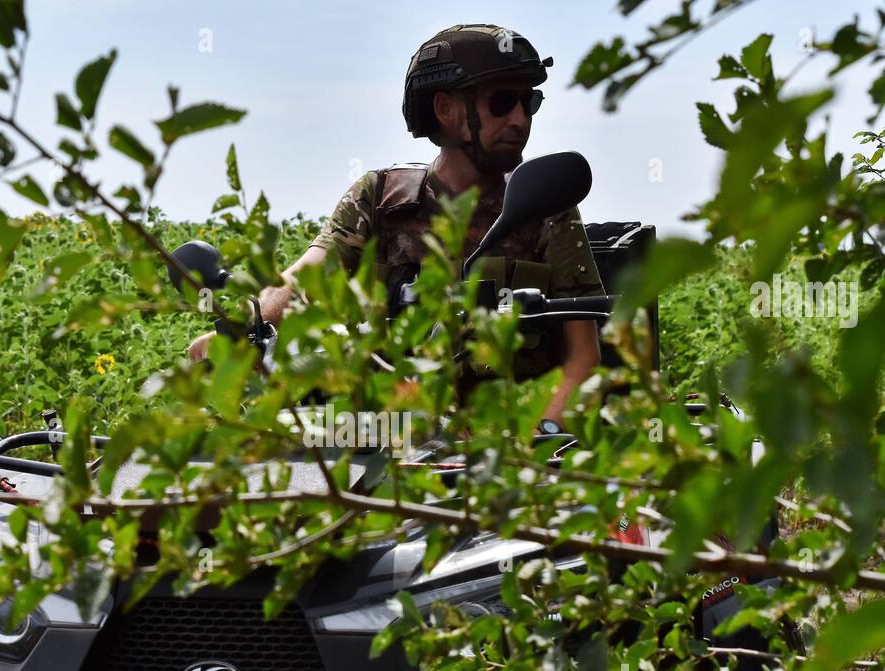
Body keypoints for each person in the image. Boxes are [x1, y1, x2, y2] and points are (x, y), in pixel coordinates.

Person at [186, 23, 604, 429]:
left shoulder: (547, 207)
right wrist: (242, 326)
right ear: (445, 109)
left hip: (508, 456)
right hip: (390, 444)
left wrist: (537, 444)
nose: (519, 119)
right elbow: (309, 275)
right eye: (501, 102)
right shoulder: (379, 197)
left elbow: (583, 360)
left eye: (527, 102)